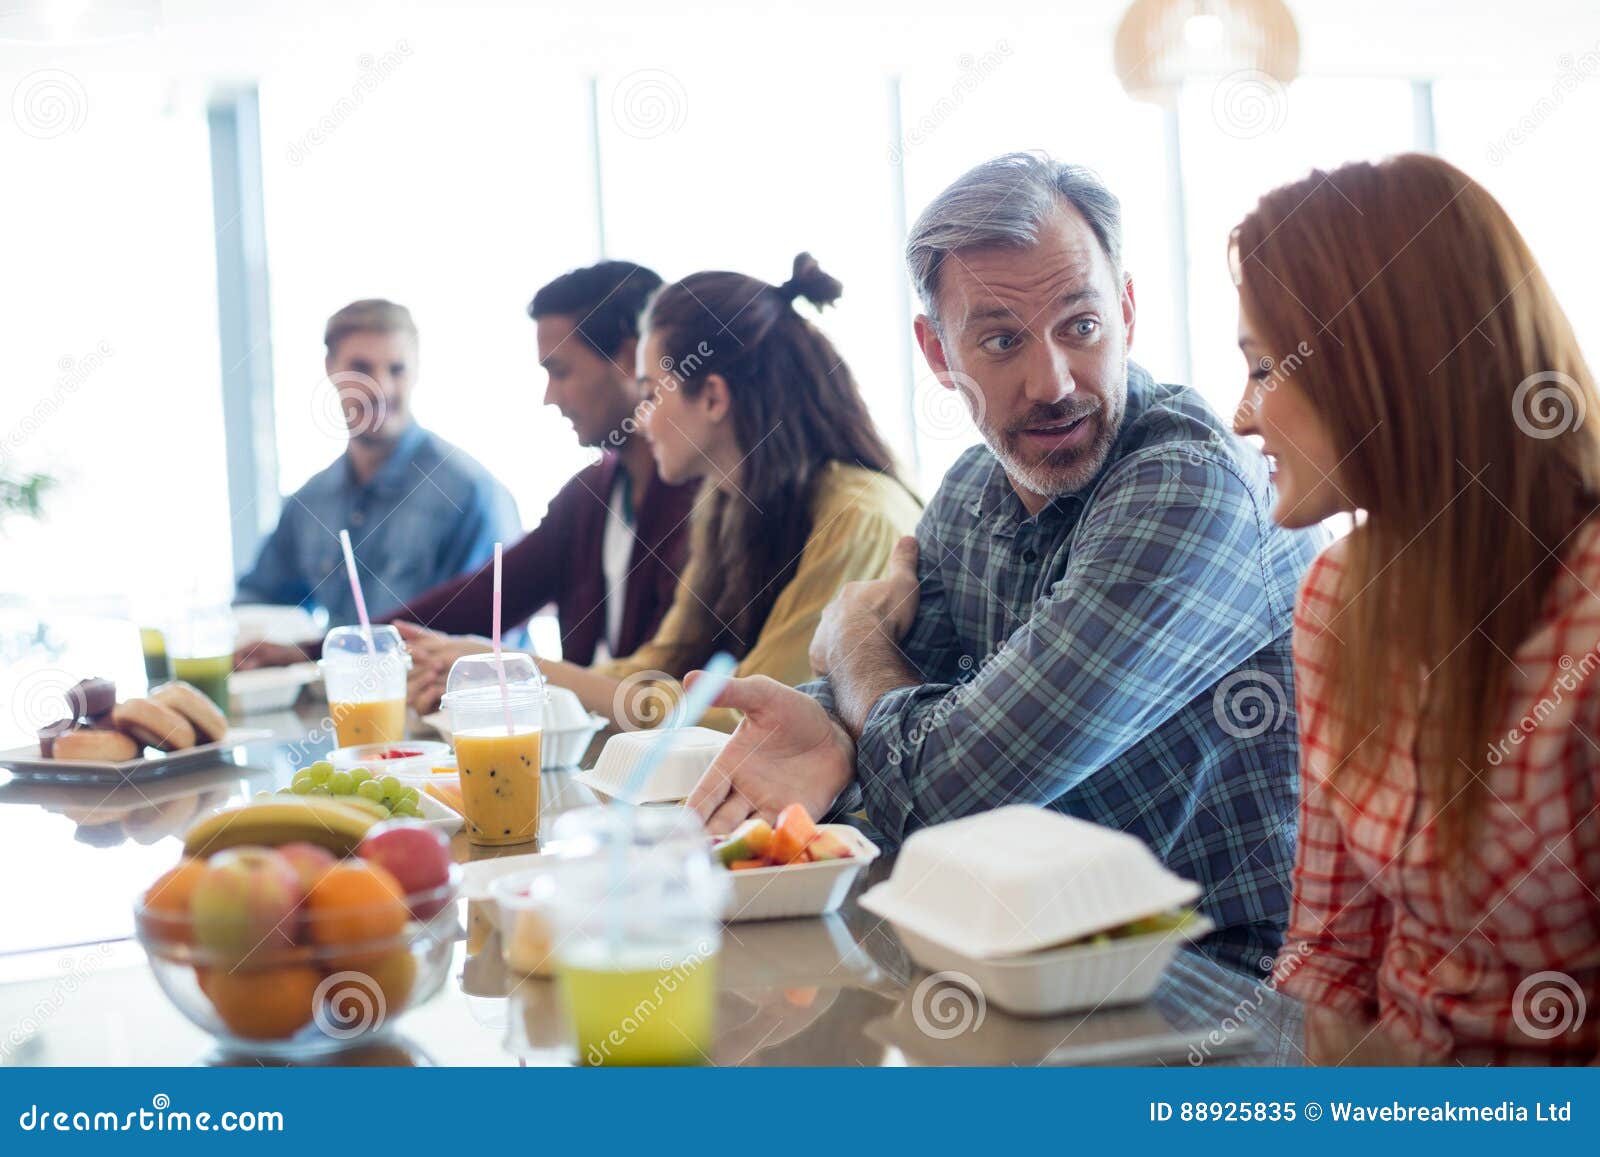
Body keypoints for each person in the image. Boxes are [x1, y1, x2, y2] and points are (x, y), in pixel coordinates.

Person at [686, 155, 1322, 976]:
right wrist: (830, 724)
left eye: (1080, 326)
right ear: (937, 351)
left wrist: (849, 650)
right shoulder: (973, 489)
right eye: (1000, 339)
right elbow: (925, 722)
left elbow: (956, 791)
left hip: (1214, 991)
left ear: (1126, 308)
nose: (1052, 381)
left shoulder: (1187, 481)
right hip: (1012, 958)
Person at [1231, 154, 1600, 1062]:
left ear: (1385, 367)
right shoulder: (1333, 599)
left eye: (1268, 366)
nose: (1242, 415)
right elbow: (1332, 949)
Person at [237, 266, 699, 695]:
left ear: (630, 359)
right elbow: (469, 602)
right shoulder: (590, 497)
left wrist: (493, 663)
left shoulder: (703, 502)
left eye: (560, 371)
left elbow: (660, 690)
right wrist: (317, 653)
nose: (549, 397)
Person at [534, 254, 922, 733]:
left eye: (652, 393)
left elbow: (754, 713)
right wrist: (529, 681)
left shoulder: (858, 516)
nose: (643, 417)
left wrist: (531, 676)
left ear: (713, 397)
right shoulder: (723, 503)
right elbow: (663, 663)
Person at [234, 299, 521, 627]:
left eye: (396, 370)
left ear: (417, 370)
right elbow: (256, 603)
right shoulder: (310, 501)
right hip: (337, 678)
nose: (380, 388)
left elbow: (484, 644)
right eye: (361, 369)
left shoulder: (469, 494)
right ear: (330, 368)